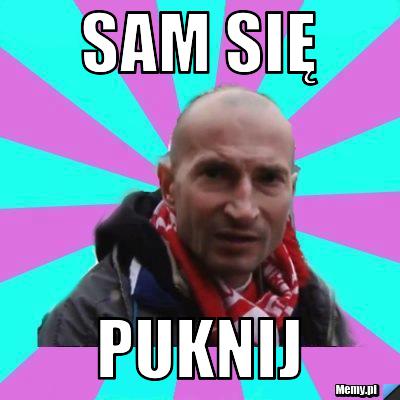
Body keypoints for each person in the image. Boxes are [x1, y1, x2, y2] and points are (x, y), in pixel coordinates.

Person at [38, 86, 352, 346]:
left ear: (291, 190)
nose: (244, 210)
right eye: (215, 174)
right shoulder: (89, 324)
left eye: (269, 178)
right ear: (169, 186)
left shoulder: (316, 308)